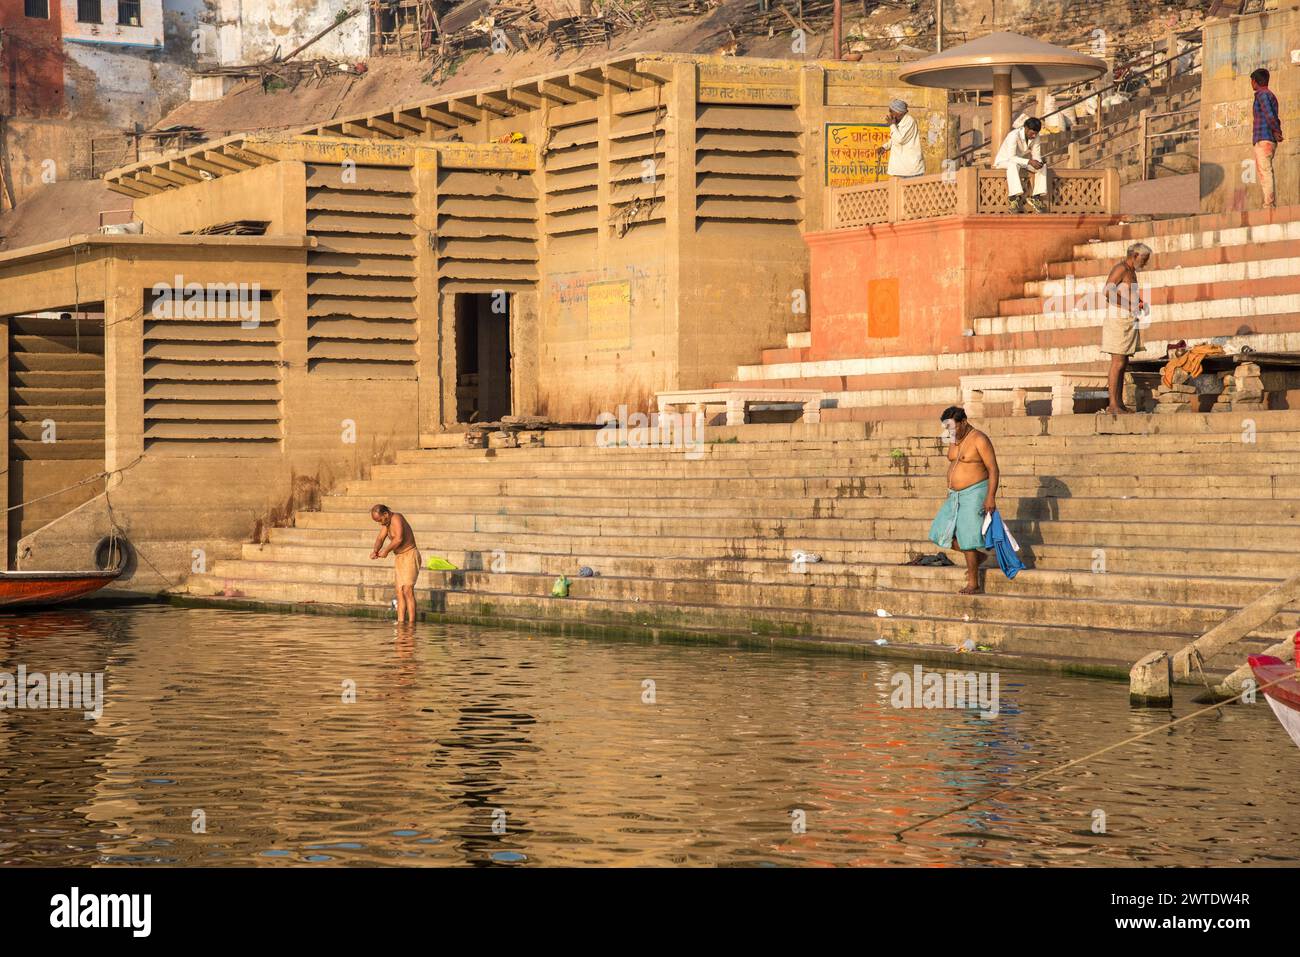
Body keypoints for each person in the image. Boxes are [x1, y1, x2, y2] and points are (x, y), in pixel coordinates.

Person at [928, 407, 1000, 595]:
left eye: (952, 427)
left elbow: (993, 469)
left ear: (963, 422)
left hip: (975, 493)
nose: (950, 432)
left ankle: (973, 583)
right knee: (939, 532)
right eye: (947, 428)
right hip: (954, 495)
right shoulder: (953, 438)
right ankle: (978, 557)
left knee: (967, 539)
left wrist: (990, 497)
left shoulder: (979, 439)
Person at [1101, 242, 1152, 414]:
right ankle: (1113, 405)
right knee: (1117, 362)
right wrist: (1129, 305)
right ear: (1135, 255)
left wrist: (1139, 304)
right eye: (1144, 259)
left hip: (1128, 320)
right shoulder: (1121, 268)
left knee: (1124, 363)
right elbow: (1107, 292)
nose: (1145, 263)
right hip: (1118, 319)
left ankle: (1119, 404)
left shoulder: (1132, 272)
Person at [369, 503, 420, 624]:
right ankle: (401, 623)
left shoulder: (397, 518)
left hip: (410, 555)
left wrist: (386, 551)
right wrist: (375, 551)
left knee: (407, 589)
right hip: (399, 558)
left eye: (380, 519)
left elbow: (399, 538)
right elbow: (380, 539)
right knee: (399, 591)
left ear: (386, 514)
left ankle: (412, 624)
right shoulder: (386, 524)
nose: (380, 523)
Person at [994, 116, 1047, 213]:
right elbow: (1011, 157)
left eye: (1036, 133)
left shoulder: (1036, 136)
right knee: (1013, 165)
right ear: (1026, 128)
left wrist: (1038, 162)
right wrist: (1030, 161)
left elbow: (1036, 154)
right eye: (1032, 133)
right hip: (1004, 161)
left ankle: (1036, 197)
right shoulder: (1013, 135)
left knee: (1043, 167)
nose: (1034, 136)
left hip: (1020, 162)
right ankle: (1013, 199)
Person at [1251, 68, 1283, 209]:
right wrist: (1276, 131)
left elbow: (1270, 115)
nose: (1251, 83)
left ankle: (1268, 205)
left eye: (1252, 81)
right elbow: (1273, 116)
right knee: (1266, 170)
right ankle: (1269, 203)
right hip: (1268, 139)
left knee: (1264, 171)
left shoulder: (1262, 95)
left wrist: (1276, 130)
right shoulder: (1270, 95)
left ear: (1255, 81)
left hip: (1264, 138)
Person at [876, 98, 925, 179]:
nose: (890, 114)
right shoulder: (898, 122)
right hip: (899, 169)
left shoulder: (909, 121)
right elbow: (894, 139)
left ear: (898, 112)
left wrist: (892, 125)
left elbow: (900, 139)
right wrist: (885, 147)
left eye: (891, 111)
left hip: (910, 170)